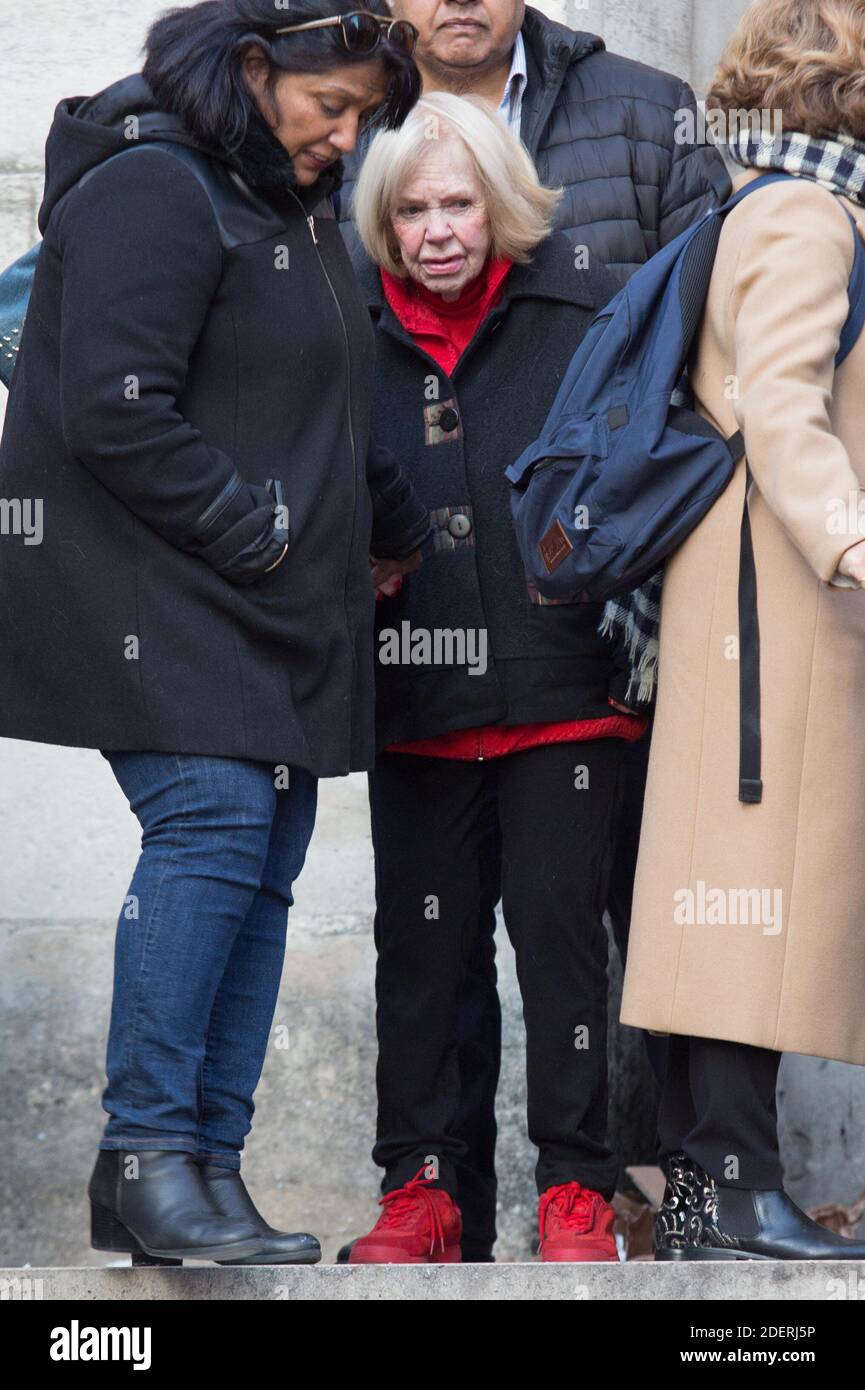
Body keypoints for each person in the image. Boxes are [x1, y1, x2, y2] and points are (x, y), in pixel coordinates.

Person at [0, 0, 428, 1266]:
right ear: (252, 70)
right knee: (214, 825)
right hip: (160, 592)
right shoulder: (154, 186)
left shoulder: (283, 210)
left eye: (366, 116)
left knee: (267, 841)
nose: (349, 139)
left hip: (254, 600)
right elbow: (114, 410)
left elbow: (337, 410)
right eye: (330, 106)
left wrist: (391, 528)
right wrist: (274, 539)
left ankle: (201, 1171)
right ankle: (144, 1153)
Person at [335, 0, 730, 1264]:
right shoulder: (351, 340)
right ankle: (426, 1192)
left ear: (498, 205)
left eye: (457, 207)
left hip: (566, 693)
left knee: (565, 959)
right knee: (426, 965)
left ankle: (575, 1192)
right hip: (417, 710)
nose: (436, 231)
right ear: (380, 224)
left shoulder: (578, 321)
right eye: (410, 212)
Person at [620, 0, 865, 1260]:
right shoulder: (809, 217)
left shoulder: (774, 205)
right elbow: (780, 409)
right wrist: (848, 538)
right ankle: (732, 1196)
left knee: (732, 899)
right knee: (735, 905)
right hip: (772, 607)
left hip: (759, 600)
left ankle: (715, 1207)